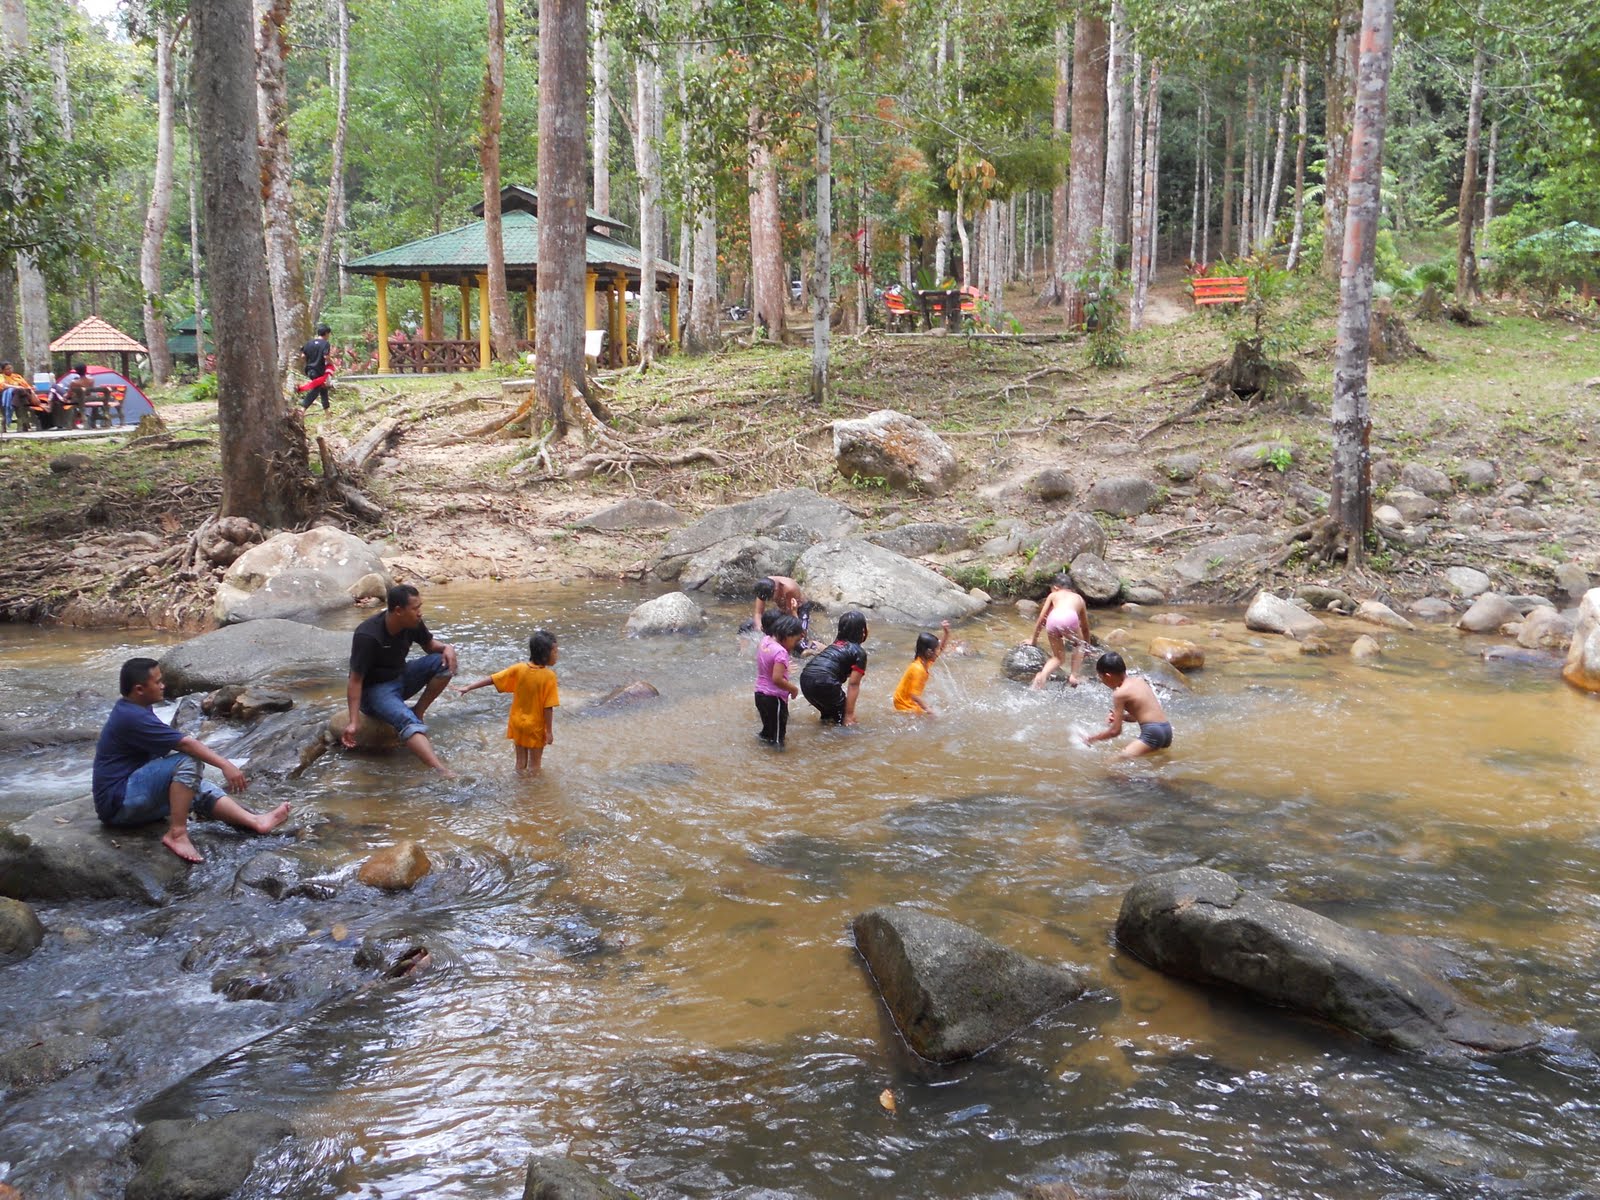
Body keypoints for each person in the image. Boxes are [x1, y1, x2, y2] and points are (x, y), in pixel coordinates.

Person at [92, 657, 291, 863]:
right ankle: (177, 833)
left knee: (193, 783)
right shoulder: (131, 716)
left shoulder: (137, 708)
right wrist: (225, 764)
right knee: (188, 761)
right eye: (158, 682)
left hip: (128, 797)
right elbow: (186, 745)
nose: (163, 686)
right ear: (139, 689)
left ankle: (255, 821)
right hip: (118, 803)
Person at [344, 584, 458, 774]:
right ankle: (441, 771)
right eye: (415, 608)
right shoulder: (368, 635)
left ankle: (418, 712)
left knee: (443, 662)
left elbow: (430, 645)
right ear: (398, 610)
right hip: (375, 690)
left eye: (420, 607)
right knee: (406, 721)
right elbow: (355, 680)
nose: (420, 613)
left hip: (400, 675)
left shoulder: (412, 622)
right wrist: (353, 722)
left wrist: (448, 648)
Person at [453, 629, 561, 773]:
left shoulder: (519, 668)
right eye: (555, 651)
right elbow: (548, 707)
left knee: (520, 762)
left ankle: (518, 785)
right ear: (545, 654)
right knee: (535, 766)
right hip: (535, 727)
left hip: (517, 723)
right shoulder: (549, 676)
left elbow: (493, 679)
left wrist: (468, 687)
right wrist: (549, 732)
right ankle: (530, 793)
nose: (557, 655)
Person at [1081, 651, 1172, 759]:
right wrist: (1122, 717)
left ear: (1108, 676)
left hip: (1152, 733)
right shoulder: (1139, 681)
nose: (1102, 682)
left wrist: (1091, 739)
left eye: (1101, 678)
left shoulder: (1120, 693)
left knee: (1110, 763)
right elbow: (1136, 716)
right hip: (1166, 730)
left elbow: (1115, 731)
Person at [799, 610, 869, 726]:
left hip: (805, 679)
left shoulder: (834, 645)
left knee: (829, 716)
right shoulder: (859, 653)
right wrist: (849, 714)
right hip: (825, 682)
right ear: (862, 631)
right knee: (845, 722)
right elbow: (853, 684)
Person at [1028, 575, 1092, 689]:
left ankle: (1042, 675)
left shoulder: (1053, 595)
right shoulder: (1079, 598)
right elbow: (1085, 628)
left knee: (1058, 658)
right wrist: (1087, 647)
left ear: (1055, 588)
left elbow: (1042, 618)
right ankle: (1073, 675)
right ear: (1071, 589)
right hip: (1069, 618)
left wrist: (1033, 640)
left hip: (1052, 620)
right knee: (1079, 644)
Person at [754, 613, 803, 745]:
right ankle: (777, 761)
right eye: (796, 640)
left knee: (767, 730)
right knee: (778, 738)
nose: (795, 645)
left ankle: (759, 750)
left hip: (759, 694)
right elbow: (777, 679)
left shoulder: (766, 641)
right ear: (787, 635)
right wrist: (793, 689)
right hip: (774, 698)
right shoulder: (781, 652)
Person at [892, 620, 952, 716]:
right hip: (903, 705)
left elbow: (941, 648)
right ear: (929, 652)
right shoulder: (919, 669)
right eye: (936, 649)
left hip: (902, 699)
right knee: (932, 718)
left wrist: (946, 633)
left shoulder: (924, 661)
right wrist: (928, 709)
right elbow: (914, 695)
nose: (938, 651)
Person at [300, 323, 333, 411]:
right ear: (326, 333)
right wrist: (331, 364)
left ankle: (327, 413)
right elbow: (326, 356)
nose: (328, 336)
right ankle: (302, 409)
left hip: (310, 370)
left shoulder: (309, 343)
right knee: (316, 389)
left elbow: (303, 356)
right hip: (318, 370)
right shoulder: (325, 344)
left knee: (323, 389)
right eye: (328, 334)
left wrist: (310, 361)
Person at [0, 361, 29, 433]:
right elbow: (4, 385)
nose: (10, 370)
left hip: (21, 396)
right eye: (7, 369)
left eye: (11, 368)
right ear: (2, 370)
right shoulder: (1, 376)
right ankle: (15, 405)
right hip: (4, 396)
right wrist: (16, 387)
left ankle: (15, 404)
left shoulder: (17, 376)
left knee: (20, 393)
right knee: (17, 392)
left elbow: (26, 385)